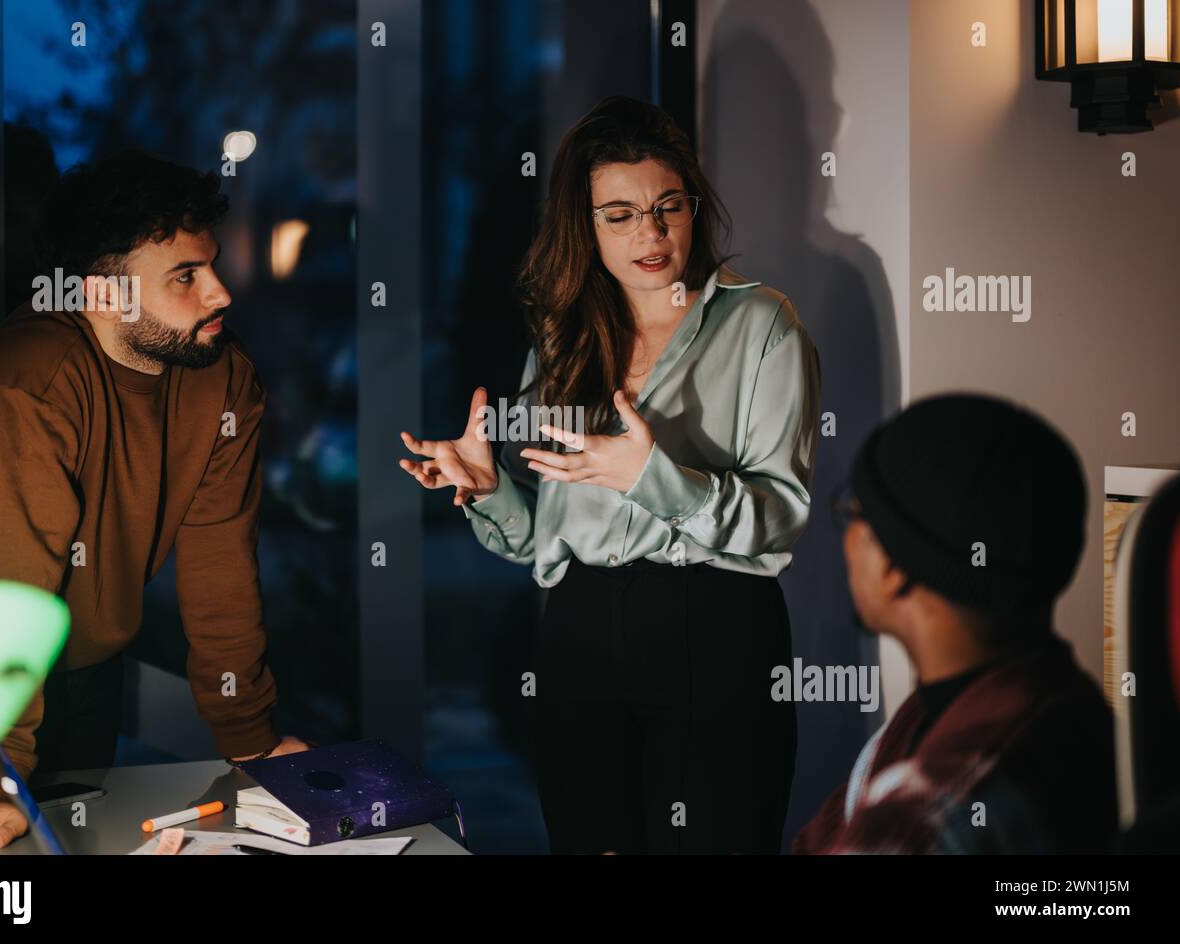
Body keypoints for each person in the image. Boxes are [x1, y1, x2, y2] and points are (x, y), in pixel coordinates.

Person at [399, 97, 821, 853]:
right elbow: (541, 542)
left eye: (668, 207)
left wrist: (654, 478)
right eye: (620, 215)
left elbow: (780, 518)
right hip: (581, 633)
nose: (651, 234)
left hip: (715, 628)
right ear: (585, 226)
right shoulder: (562, 340)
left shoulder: (764, 324)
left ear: (694, 207)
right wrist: (491, 492)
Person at [0, 150, 307, 855]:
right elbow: (3, 596)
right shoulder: (28, 385)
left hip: (83, 663)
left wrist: (251, 742)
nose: (220, 294)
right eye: (185, 277)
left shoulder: (223, 376)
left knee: (84, 843)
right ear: (103, 295)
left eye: (211, 266)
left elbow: (221, 569)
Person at [794, 394, 1118, 854]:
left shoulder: (922, 825)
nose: (846, 538)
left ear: (893, 569)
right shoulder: (1065, 707)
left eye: (853, 512)